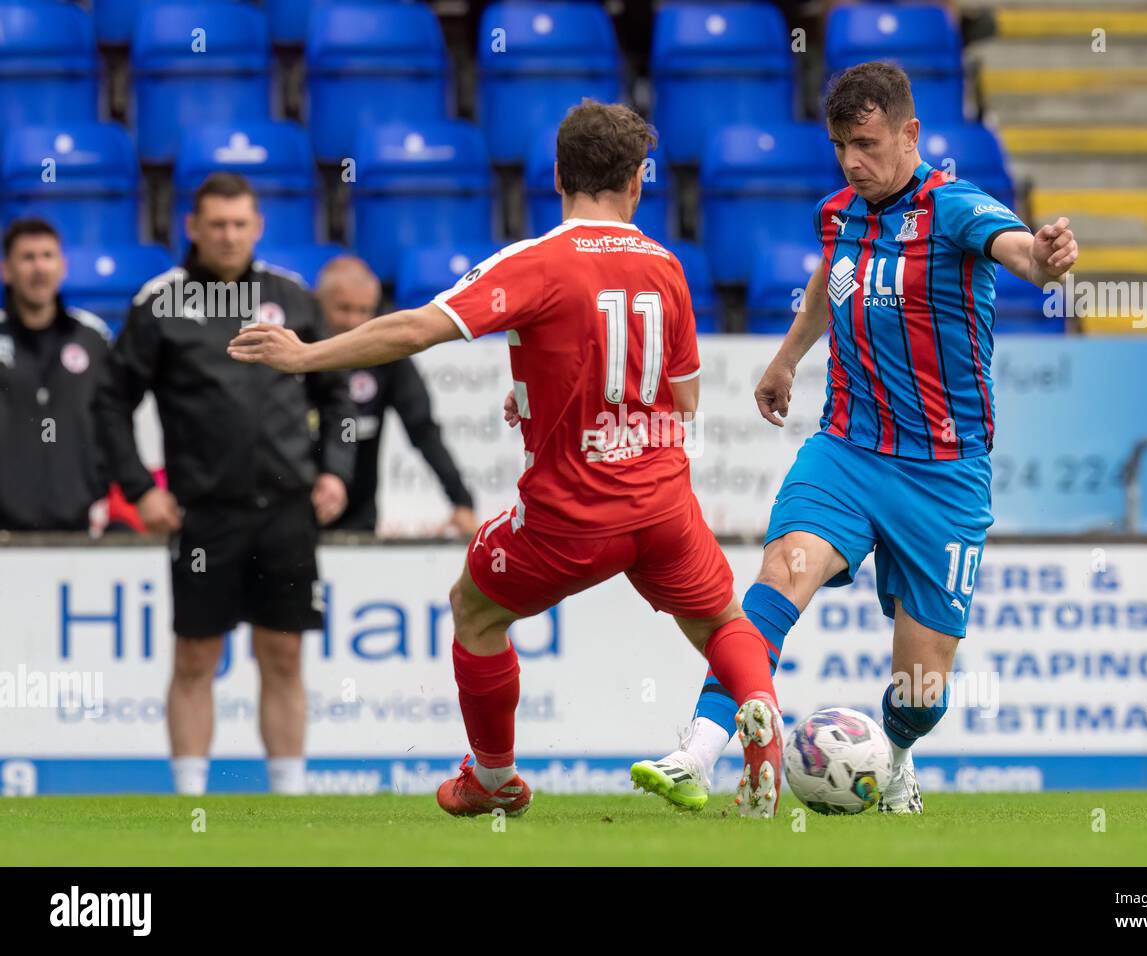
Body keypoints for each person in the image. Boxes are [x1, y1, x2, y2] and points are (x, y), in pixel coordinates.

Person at [229, 101, 786, 818]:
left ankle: (492, 779)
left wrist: (309, 354)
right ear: (638, 184)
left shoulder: (538, 263)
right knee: (721, 626)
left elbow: (416, 327)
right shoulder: (667, 266)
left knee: (475, 610)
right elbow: (682, 403)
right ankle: (763, 723)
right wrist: (547, 398)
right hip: (663, 504)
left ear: (555, 175)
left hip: (573, 515)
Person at [633, 61, 1080, 813]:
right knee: (780, 574)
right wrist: (784, 360)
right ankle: (698, 753)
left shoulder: (956, 209)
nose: (852, 160)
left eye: (867, 143)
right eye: (841, 144)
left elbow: (1019, 252)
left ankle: (898, 756)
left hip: (943, 475)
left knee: (921, 689)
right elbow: (826, 282)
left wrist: (1045, 258)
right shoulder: (841, 212)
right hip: (845, 450)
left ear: (910, 134)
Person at [95, 172, 357, 796]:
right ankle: (190, 798)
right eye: (216, 224)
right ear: (192, 227)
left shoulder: (293, 298)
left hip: (286, 508)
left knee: (284, 655)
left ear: (258, 226)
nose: (229, 234)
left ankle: (289, 797)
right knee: (194, 658)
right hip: (203, 513)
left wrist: (336, 472)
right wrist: (139, 488)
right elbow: (108, 403)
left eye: (240, 223)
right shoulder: (159, 302)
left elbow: (340, 392)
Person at [314, 255, 477, 535]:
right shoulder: (293, 347)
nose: (355, 321)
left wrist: (461, 500)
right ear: (318, 303)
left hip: (358, 518)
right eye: (343, 309)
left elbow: (422, 428)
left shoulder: (387, 353)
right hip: (290, 514)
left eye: (364, 310)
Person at [0, 218, 112, 532]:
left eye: (47, 256)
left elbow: (114, 419)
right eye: (28, 257)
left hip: (80, 522)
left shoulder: (93, 338)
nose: (39, 267)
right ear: (6, 270)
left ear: (62, 266)